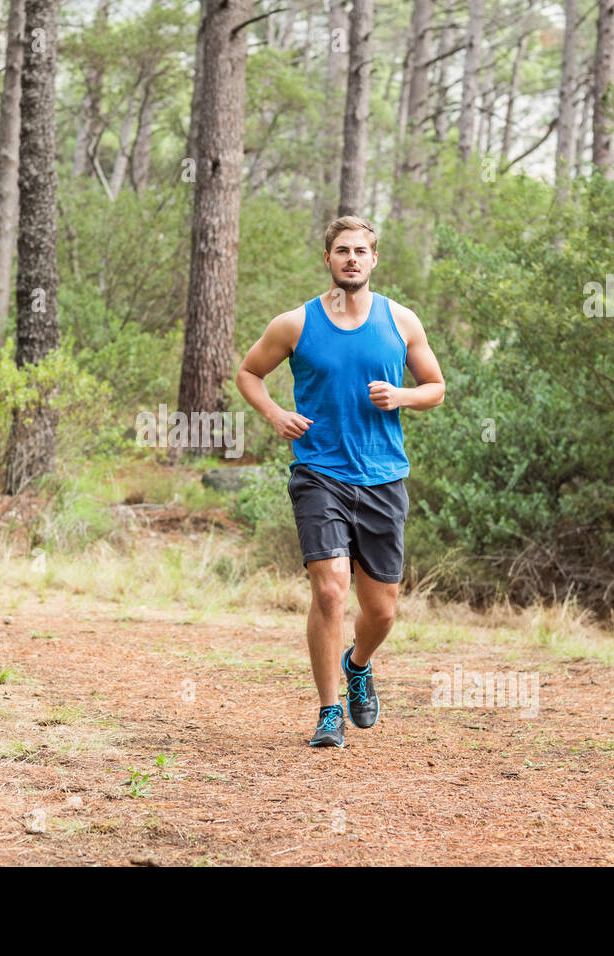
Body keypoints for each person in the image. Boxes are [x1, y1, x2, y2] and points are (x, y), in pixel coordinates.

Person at [235, 215, 446, 747]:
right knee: (330, 592)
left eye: (361, 250)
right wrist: (274, 414)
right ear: (327, 259)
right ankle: (329, 711)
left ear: (374, 260)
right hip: (318, 472)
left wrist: (402, 396)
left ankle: (359, 664)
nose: (351, 258)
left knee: (382, 610)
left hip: (382, 477)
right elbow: (248, 373)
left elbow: (436, 387)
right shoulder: (295, 324)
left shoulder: (401, 321)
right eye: (342, 250)